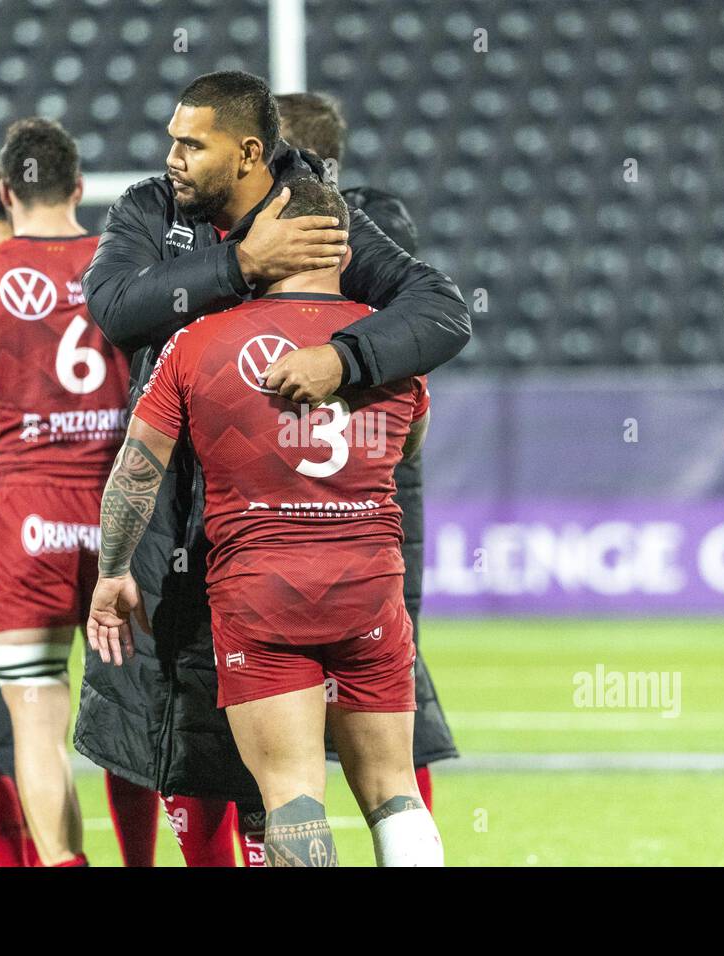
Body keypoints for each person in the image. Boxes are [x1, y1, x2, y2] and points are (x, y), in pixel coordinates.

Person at [77, 69, 469, 866]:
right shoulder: (151, 209)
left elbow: (442, 310)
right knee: (201, 752)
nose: (171, 158)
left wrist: (344, 357)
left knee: (284, 787)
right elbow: (113, 308)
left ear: (250, 152)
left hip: (266, 545)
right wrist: (239, 266)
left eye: (191, 143)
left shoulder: (320, 215)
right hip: (209, 544)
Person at [0, 119, 152, 867]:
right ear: (80, 188)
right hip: (124, 512)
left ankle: (63, 866)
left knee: (35, 717)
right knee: (138, 712)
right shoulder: (130, 269)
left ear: (6, 191)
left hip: (21, 512)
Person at [276, 90, 458, 812]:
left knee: (278, 694)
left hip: (337, 479)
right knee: (390, 686)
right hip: (374, 481)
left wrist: (338, 362)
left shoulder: (356, 231)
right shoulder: (377, 231)